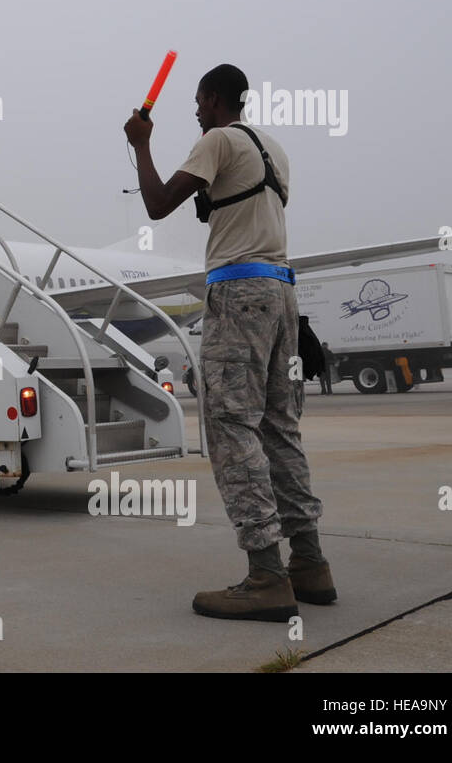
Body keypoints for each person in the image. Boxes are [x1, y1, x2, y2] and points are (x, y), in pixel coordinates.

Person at [122, 63, 335, 622]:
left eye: (197, 102)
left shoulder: (217, 139)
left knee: (229, 425)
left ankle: (266, 574)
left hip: (238, 294)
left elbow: (157, 203)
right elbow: (212, 206)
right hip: (282, 293)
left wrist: (141, 145)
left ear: (215, 100)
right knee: (279, 427)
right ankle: (309, 563)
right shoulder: (272, 148)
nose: (193, 112)